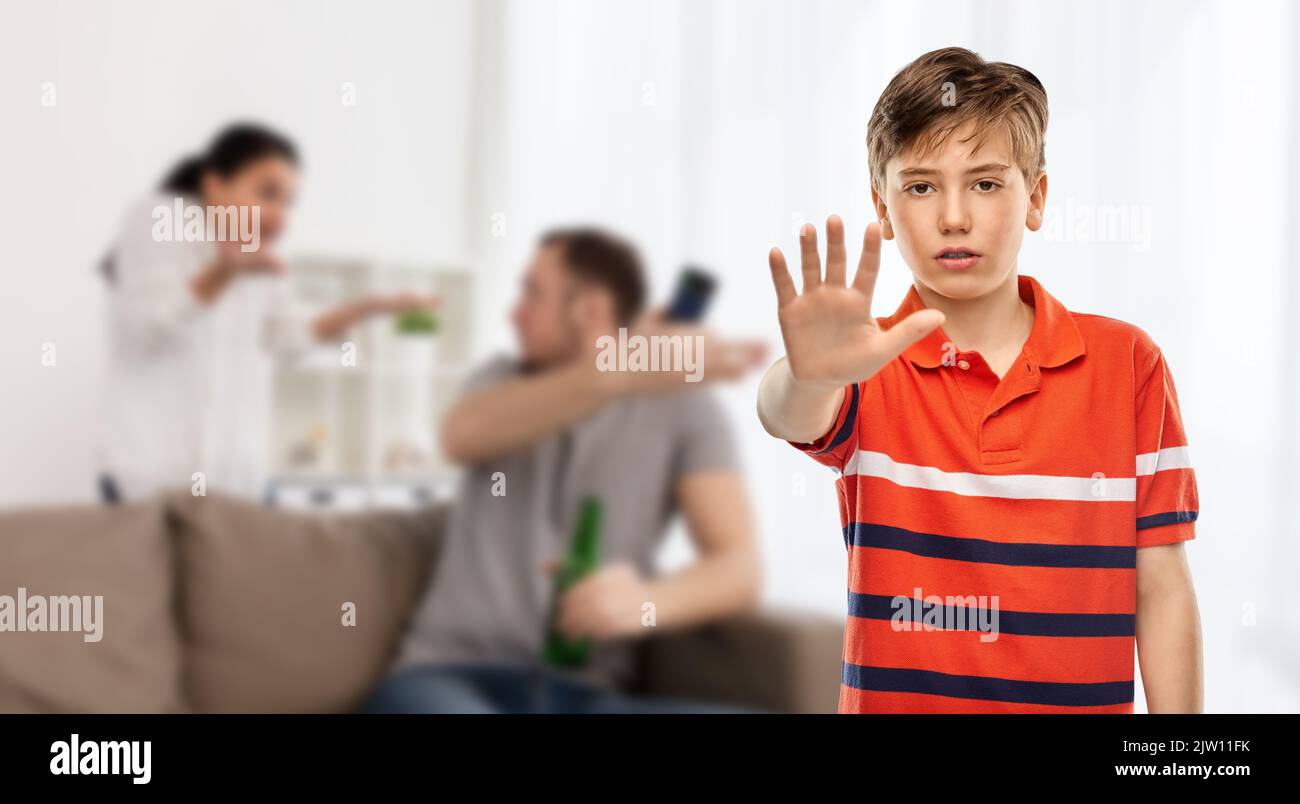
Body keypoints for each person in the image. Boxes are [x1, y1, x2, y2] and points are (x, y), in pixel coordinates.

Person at [757, 47, 1202, 713]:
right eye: (921, 186)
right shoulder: (866, 362)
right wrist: (807, 374)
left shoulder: (1128, 364)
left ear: (1036, 198)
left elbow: (1161, 583)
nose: (954, 216)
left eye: (986, 184)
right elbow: (786, 412)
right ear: (883, 206)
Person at [365, 228, 767, 713]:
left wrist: (646, 602)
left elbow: (740, 568)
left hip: (588, 695)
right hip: (449, 678)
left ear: (589, 309)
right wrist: (624, 366)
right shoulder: (500, 381)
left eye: (533, 293)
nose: (515, 312)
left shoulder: (685, 410)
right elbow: (460, 437)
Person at [97, 123, 437, 503]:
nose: (279, 216)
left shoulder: (256, 253)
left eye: (288, 202)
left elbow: (283, 339)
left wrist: (366, 307)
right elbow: (150, 328)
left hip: (237, 482)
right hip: (150, 484)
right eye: (267, 193)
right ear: (213, 186)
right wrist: (224, 273)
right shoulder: (159, 219)